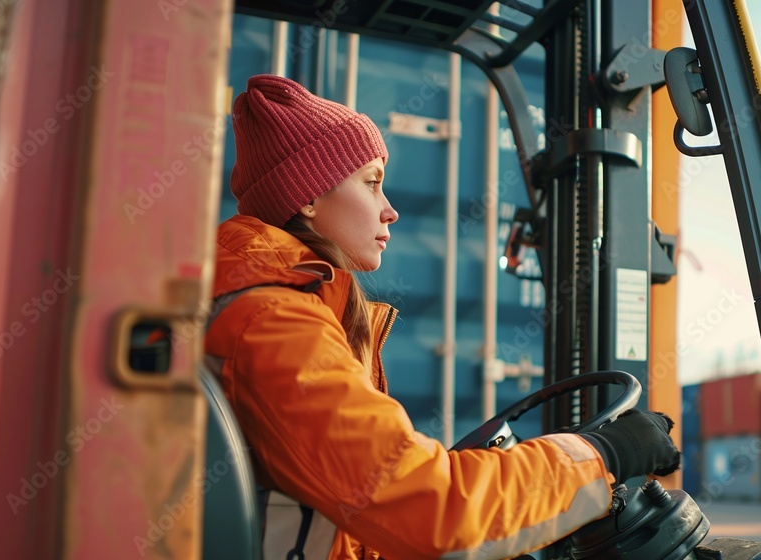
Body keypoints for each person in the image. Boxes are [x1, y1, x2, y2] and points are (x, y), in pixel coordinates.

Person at [204, 74, 681, 560]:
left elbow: (370, 510)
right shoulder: (273, 321)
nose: (390, 211)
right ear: (306, 196)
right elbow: (434, 515)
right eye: (371, 184)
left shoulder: (279, 304)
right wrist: (604, 456)